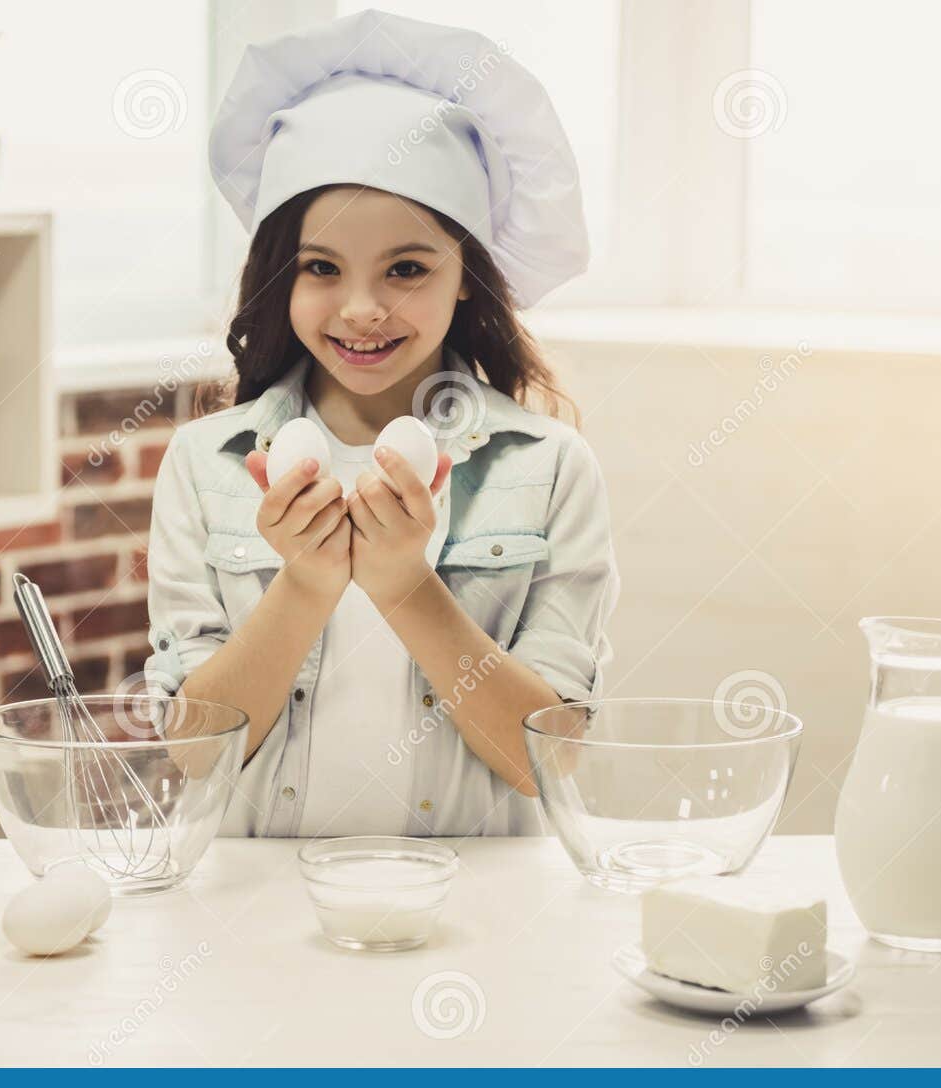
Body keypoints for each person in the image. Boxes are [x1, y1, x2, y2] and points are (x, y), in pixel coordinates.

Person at [143, 9, 618, 837]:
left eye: (406, 268)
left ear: (468, 273)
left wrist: (405, 586)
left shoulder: (549, 467)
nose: (363, 309)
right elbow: (194, 753)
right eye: (321, 268)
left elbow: (547, 759)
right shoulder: (204, 462)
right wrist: (303, 586)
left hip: (477, 913)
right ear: (277, 278)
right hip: (258, 910)